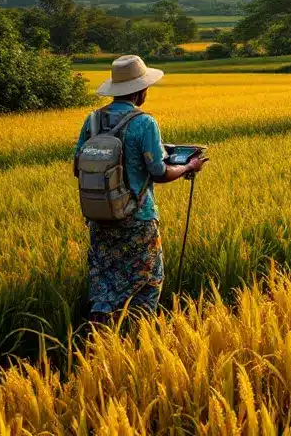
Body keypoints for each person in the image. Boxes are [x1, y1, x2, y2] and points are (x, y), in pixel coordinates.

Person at [74, 55, 206, 323]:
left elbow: (78, 165)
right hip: (137, 218)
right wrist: (188, 166)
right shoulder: (145, 122)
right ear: (140, 90)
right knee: (147, 282)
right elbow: (160, 173)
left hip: (100, 218)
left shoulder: (94, 121)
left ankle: (99, 342)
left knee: (104, 283)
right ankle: (136, 342)